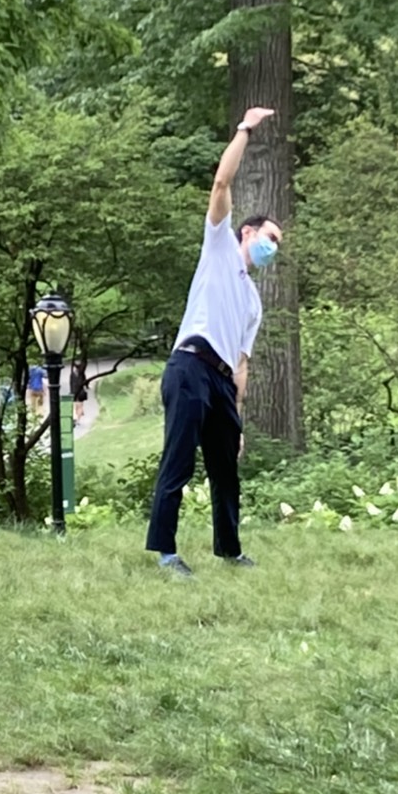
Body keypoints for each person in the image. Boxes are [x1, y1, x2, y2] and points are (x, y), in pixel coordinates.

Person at [145, 106, 282, 577]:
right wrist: (244, 128)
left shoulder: (253, 301)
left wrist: (238, 421)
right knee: (178, 462)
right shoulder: (219, 246)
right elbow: (221, 184)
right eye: (269, 237)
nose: (273, 248)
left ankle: (229, 549)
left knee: (227, 472)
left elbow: (242, 366)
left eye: (278, 244)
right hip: (189, 367)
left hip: (222, 382)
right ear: (248, 232)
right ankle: (165, 552)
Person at [70, 358, 90, 425]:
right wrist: (87, 386)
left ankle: (76, 418)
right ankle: (77, 419)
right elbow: (85, 381)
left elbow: (71, 383)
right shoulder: (81, 374)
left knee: (76, 405)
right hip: (79, 392)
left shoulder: (73, 374)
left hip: (76, 392)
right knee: (79, 406)